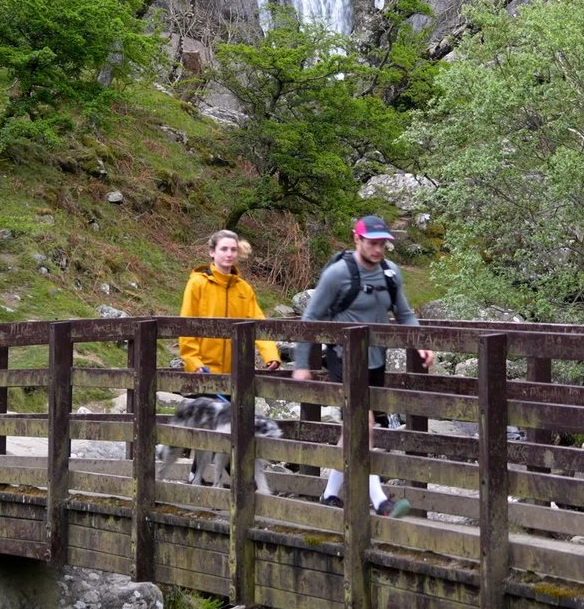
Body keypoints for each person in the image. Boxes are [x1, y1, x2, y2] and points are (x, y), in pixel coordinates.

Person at [293, 215, 431, 514]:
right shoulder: (337, 275)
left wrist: (420, 342)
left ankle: (329, 495)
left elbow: (405, 314)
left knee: (352, 429)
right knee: (364, 425)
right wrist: (301, 363)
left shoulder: (391, 274)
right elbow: (311, 317)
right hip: (342, 359)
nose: (378, 249)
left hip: (375, 360)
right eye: (372, 243)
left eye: (383, 244)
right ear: (357, 240)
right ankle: (381, 501)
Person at [178, 229, 281, 375]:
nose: (229, 254)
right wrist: (193, 361)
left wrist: (270, 354)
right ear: (212, 252)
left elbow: (258, 322)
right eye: (224, 249)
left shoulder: (244, 289)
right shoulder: (197, 284)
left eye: (233, 249)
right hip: (203, 371)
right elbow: (186, 325)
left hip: (237, 373)